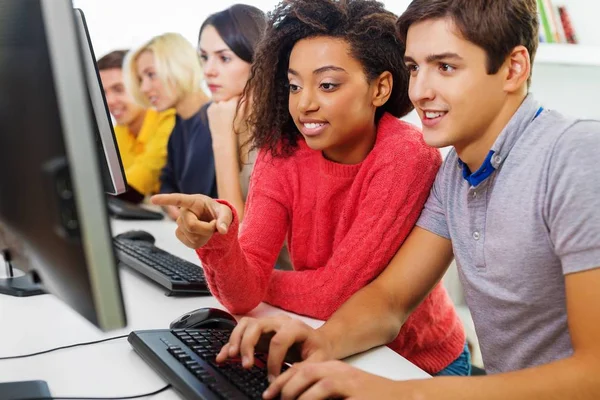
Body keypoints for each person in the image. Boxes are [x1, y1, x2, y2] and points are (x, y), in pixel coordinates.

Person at [211, 0, 600, 398]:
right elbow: (390, 299)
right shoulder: (456, 174)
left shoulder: (576, 154)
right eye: (414, 68)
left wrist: (401, 393)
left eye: (446, 67)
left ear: (513, 69)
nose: (419, 91)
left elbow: (594, 374)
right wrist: (321, 343)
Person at [153, 0, 469, 377]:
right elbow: (241, 295)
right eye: (294, 85)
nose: (304, 104)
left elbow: (334, 297)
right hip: (329, 346)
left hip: (413, 362)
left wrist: (257, 279)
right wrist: (219, 241)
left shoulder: (406, 155)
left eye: (328, 85)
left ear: (381, 88)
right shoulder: (281, 152)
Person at [124, 33, 211, 220]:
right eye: (141, 79)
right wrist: (171, 203)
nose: (144, 88)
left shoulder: (215, 121)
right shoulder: (178, 127)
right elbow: (167, 180)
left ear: (180, 67)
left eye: (151, 75)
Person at [199, 4, 266, 221]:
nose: (208, 70)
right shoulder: (231, 117)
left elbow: (240, 238)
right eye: (204, 56)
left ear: (259, 61)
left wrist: (221, 140)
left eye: (224, 58)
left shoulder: (281, 137)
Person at [98, 50, 175, 203]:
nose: (109, 101)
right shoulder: (120, 130)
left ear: (140, 87)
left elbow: (131, 190)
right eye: (102, 93)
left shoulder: (168, 119)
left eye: (118, 89)